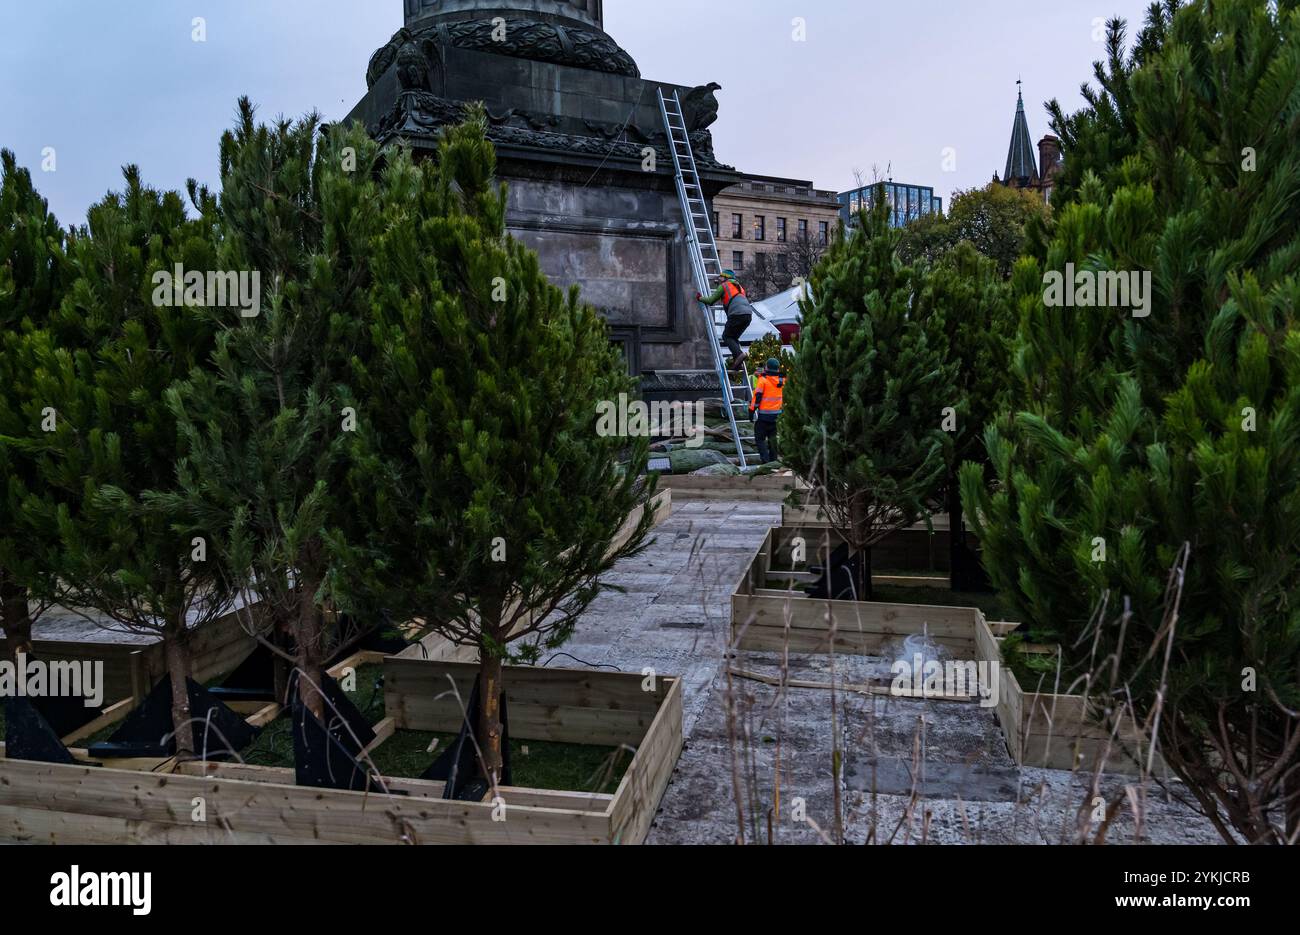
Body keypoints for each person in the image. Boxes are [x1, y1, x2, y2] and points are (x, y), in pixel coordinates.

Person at [697, 270, 753, 372]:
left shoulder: (724, 286)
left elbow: (710, 301)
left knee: (726, 336)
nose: (718, 278)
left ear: (726, 277)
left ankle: (739, 355)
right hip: (748, 315)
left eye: (721, 276)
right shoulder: (739, 287)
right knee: (733, 338)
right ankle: (738, 362)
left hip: (737, 314)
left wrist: (700, 298)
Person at [749, 357, 783, 464]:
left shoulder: (763, 380)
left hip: (763, 417)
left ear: (767, 367)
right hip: (777, 417)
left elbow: (757, 398)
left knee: (760, 439)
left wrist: (751, 411)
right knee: (773, 441)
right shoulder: (782, 380)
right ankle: (773, 462)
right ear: (778, 369)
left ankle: (766, 461)